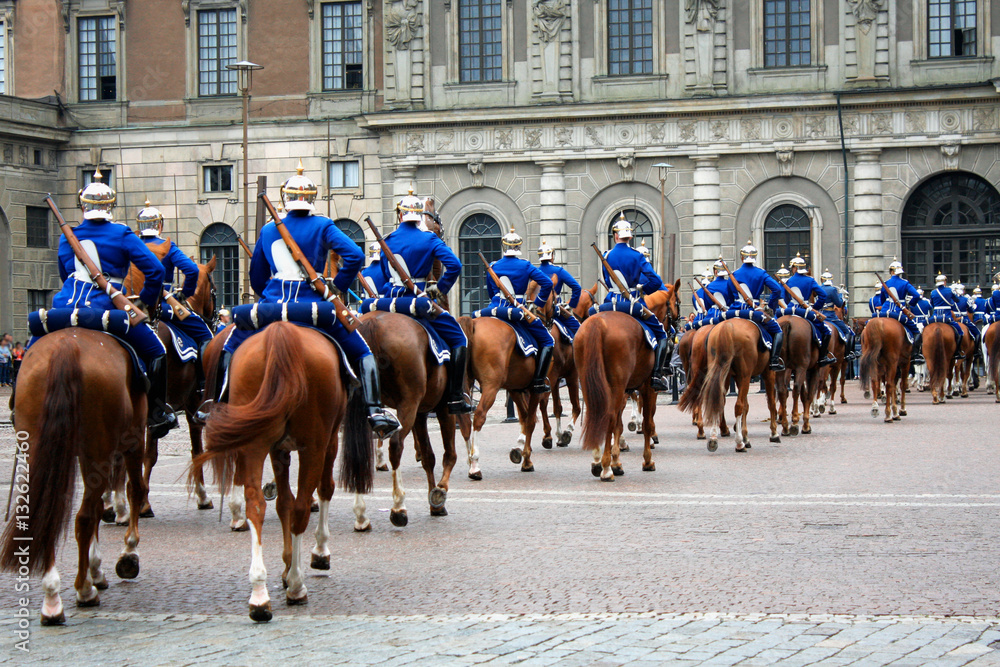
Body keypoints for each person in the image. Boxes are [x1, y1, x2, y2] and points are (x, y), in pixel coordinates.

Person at [202, 163, 399, 436]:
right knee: (363, 351)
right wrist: (337, 287)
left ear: (285, 198)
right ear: (312, 199)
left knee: (229, 347)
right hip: (315, 308)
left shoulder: (269, 231)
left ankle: (216, 402)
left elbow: (256, 275)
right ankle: (375, 410)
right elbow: (354, 254)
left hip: (271, 307)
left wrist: (268, 295)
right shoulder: (322, 225)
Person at [28, 170, 178, 437]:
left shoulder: (68, 235)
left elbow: (65, 274)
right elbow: (155, 270)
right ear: (111, 206)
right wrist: (142, 306)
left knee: (32, 351)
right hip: (105, 308)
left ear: (82, 205)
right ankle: (157, 412)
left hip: (63, 308)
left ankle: (20, 403)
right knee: (157, 351)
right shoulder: (122, 234)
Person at [371, 190, 473, 414]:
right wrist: (439, 288)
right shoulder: (428, 239)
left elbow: (383, 273)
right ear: (420, 216)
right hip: (417, 301)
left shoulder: (386, 240)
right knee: (459, 338)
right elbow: (455, 265)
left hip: (388, 301)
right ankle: (456, 396)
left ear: (400, 215)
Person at [136, 200, 215, 397]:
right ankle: (204, 387)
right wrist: (184, 294)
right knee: (205, 334)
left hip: (132, 305)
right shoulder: (166, 246)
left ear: (139, 226)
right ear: (159, 225)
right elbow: (190, 270)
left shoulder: (131, 243)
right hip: (162, 305)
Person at [481, 227, 555, 393]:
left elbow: (491, 291)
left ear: (503, 246)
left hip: (493, 309)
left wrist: (497, 302)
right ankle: (538, 382)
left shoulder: (493, 266)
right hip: (517, 311)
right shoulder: (525, 266)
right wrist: (538, 303)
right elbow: (548, 284)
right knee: (549, 341)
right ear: (519, 247)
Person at [601, 213, 671, 390]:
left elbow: (607, 281)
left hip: (609, 303)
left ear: (615, 236)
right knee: (661, 334)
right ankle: (656, 375)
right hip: (632, 304)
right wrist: (641, 289)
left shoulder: (606, 255)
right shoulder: (637, 256)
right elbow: (655, 281)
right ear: (629, 237)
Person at [730, 242, 786, 370]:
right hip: (753, 311)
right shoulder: (761, 273)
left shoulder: (734, 275)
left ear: (742, 257)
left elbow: (729, 296)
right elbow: (777, 289)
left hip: (734, 310)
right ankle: (774, 361)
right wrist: (771, 307)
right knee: (777, 329)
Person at [785, 254, 837, 367]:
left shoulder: (788, 281)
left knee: (774, 328)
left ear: (794, 268)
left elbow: (785, 298)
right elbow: (822, 295)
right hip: (805, 311)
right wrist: (816, 307)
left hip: (788, 310)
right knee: (827, 331)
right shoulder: (810, 280)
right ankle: (822, 357)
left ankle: (775, 357)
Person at [878, 261, 925, 363]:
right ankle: (915, 355)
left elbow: (882, 300)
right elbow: (917, 295)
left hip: (884, 312)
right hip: (899, 313)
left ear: (891, 272)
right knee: (916, 332)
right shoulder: (904, 283)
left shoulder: (885, 284)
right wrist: (910, 305)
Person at [537, 240, 582, 340]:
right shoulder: (558, 271)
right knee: (579, 329)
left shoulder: (534, 271)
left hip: (537, 310)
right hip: (555, 310)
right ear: (552, 256)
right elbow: (577, 287)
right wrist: (571, 305)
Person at [818, 268, 856, 361]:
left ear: (822, 279)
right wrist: (841, 297)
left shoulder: (818, 289)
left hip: (819, 316)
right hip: (830, 317)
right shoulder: (833, 290)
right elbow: (839, 304)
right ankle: (847, 354)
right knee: (848, 332)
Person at [929, 273, 965, 359]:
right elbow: (957, 299)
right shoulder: (950, 291)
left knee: (921, 330)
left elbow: (931, 304)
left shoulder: (933, 292)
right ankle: (957, 351)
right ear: (945, 282)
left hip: (934, 317)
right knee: (960, 332)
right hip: (947, 316)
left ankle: (919, 351)